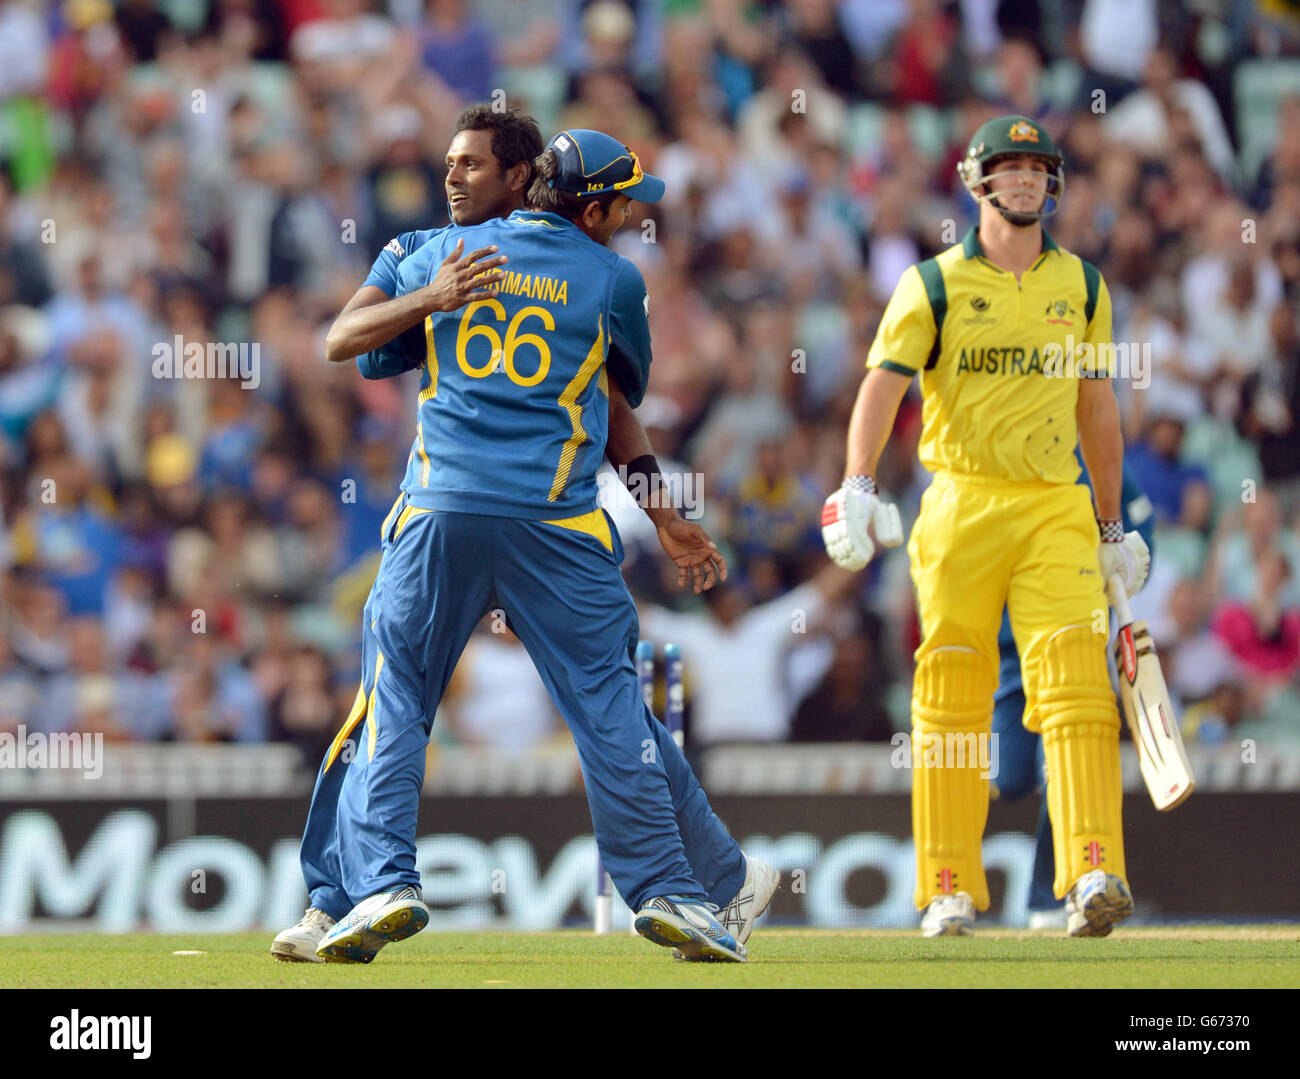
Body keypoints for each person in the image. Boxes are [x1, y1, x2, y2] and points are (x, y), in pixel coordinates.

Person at [273, 128, 778, 965]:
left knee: (391, 698)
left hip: (439, 514)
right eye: (624, 207)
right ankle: (682, 890)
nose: (629, 223)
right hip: (557, 525)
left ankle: (372, 886)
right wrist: (663, 511)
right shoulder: (612, 280)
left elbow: (341, 341)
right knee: (612, 707)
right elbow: (617, 404)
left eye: (468, 164)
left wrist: (433, 299)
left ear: (520, 177)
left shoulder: (426, 250)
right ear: (599, 206)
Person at [821, 115, 1151, 937]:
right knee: (953, 689)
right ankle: (946, 882)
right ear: (977, 184)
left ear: (1054, 183)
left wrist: (1111, 527)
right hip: (962, 500)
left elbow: (1097, 410)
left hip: (1054, 505)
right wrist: (857, 483)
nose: (1026, 181)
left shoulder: (1082, 287)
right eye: (1009, 169)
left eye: (1039, 169)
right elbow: (881, 388)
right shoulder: (929, 283)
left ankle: (1091, 872)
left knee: (1075, 682)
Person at [991, 455, 1154, 928]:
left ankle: (1056, 895)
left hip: (1076, 639)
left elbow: (1142, 534)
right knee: (1011, 777)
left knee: (1059, 768)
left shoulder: (1099, 459)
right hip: (1011, 651)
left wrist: (1120, 567)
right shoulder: (1012, 452)